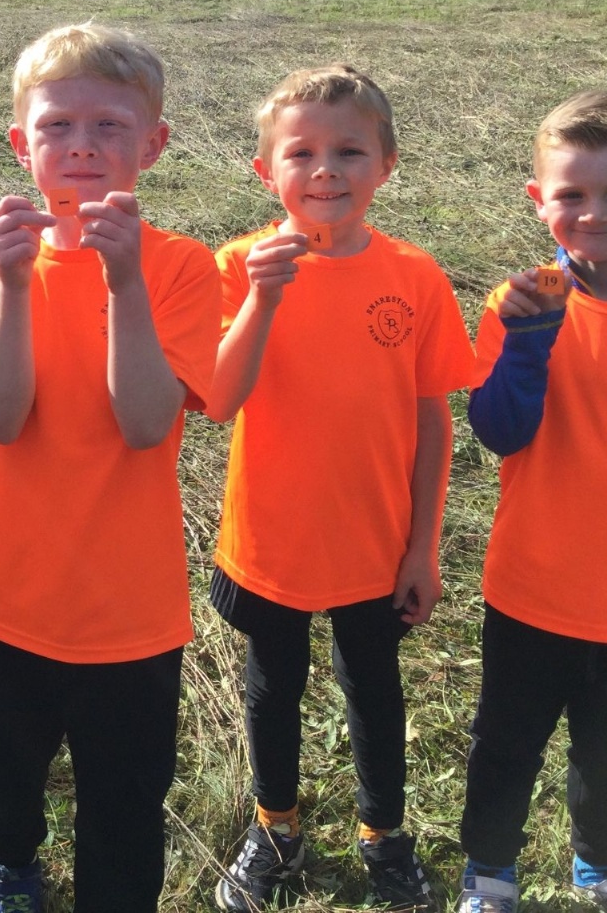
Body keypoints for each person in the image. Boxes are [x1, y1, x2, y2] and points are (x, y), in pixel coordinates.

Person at [0, 23, 221, 913]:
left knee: (126, 801)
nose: (82, 147)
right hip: (7, 590)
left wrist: (126, 283)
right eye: (58, 126)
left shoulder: (180, 266)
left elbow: (146, 425)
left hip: (129, 608)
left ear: (153, 145)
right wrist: (17, 287)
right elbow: (0, 416)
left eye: (109, 127)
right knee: (8, 774)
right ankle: (14, 863)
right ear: (22, 143)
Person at [205, 65, 473, 912]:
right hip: (269, 543)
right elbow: (219, 399)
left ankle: (383, 835)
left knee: (374, 692)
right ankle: (275, 825)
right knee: (271, 689)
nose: (327, 171)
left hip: (376, 546)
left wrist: (422, 547)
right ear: (266, 172)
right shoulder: (240, 264)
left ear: (387, 165)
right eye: (303, 153)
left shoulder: (417, 277)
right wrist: (262, 298)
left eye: (350, 151)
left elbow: (435, 422)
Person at [454, 91, 607, 913]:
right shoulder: (523, 305)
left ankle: (596, 863)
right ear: (538, 199)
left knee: (605, 754)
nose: (593, 215)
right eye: (574, 194)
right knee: (505, 745)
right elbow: (500, 433)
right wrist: (527, 350)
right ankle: (490, 874)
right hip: (534, 589)